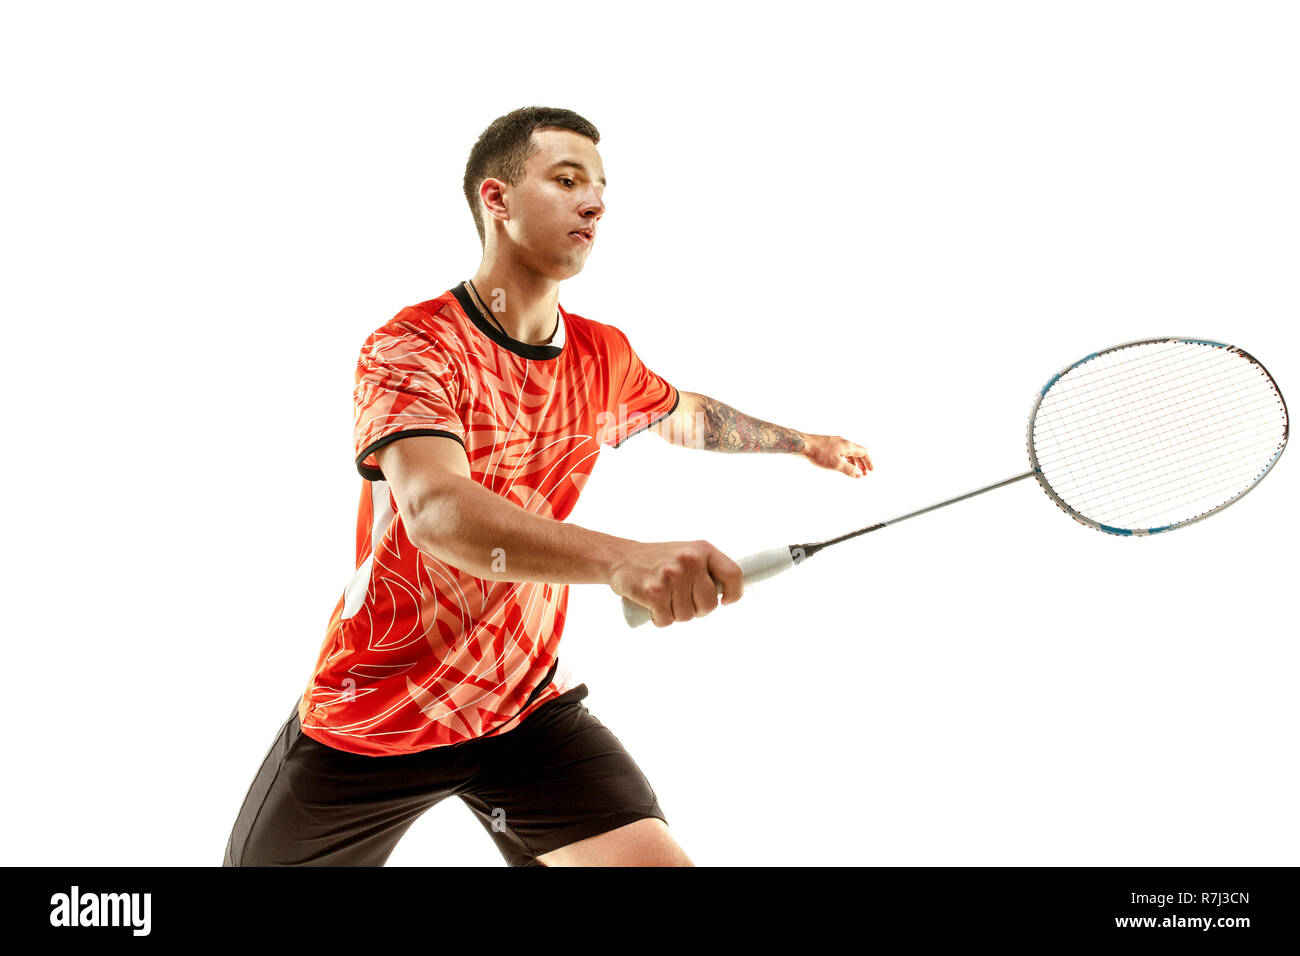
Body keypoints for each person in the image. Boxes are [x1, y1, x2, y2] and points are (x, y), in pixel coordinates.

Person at [222, 106, 872, 868]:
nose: (594, 203)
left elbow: (681, 413)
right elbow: (436, 512)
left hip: (519, 713)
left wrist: (803, 444)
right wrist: (619, 560)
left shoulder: (602, 356)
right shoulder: (412, 347)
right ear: (496, 200)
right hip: (376, 716)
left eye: (600, 188)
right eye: (567, 181)